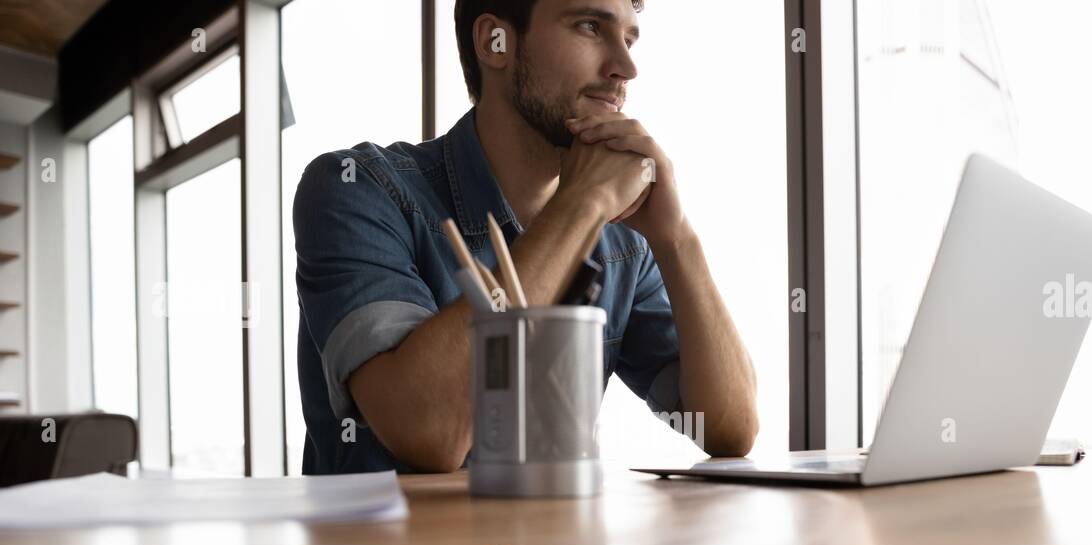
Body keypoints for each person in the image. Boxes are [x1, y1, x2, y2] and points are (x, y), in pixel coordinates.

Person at [293, 0, 758, 474]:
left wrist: (676, 237)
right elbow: (428, 432)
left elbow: (728, 429)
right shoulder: (357, 189)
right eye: (590, 26)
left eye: (630, 38)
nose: (626, 67)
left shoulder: (623, 246)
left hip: (553, 544)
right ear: (495, 43)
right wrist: (580, 207)